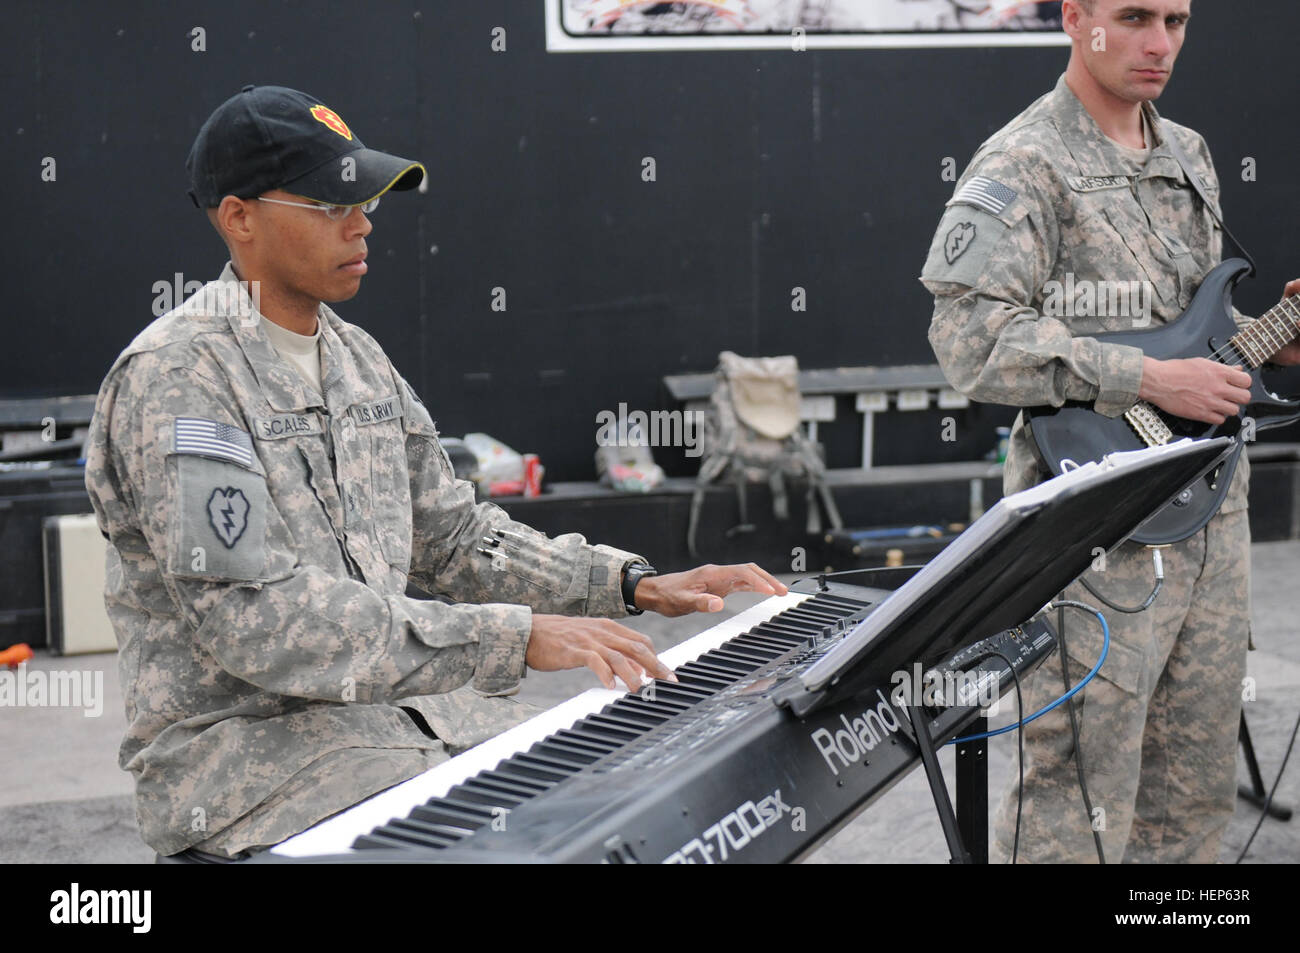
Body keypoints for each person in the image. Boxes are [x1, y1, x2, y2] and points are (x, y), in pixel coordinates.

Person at [85, 85, 787, 860]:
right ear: (239, 216)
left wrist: (628, 582)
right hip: (254, 778)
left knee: (628, 807)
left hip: (411, 732)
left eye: (366, 199)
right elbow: (260, 618)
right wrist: (512, 636)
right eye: (328, 202)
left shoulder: (358, 361)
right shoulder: (178, 376)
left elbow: (454, 538)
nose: (361, 223)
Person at [921, 0, 1300, 862]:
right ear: (1075, 17)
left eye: (1176, 19)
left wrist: (1266, 344)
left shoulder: (1189, 154)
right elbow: (971, 345)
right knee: (1073, 797)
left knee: (1193, 797)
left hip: (1208, 517)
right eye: (1134, 17)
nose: (1159, 43)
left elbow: (1194, 330)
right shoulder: (1023, 162)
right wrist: (1150, 378)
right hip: (1092, 536)